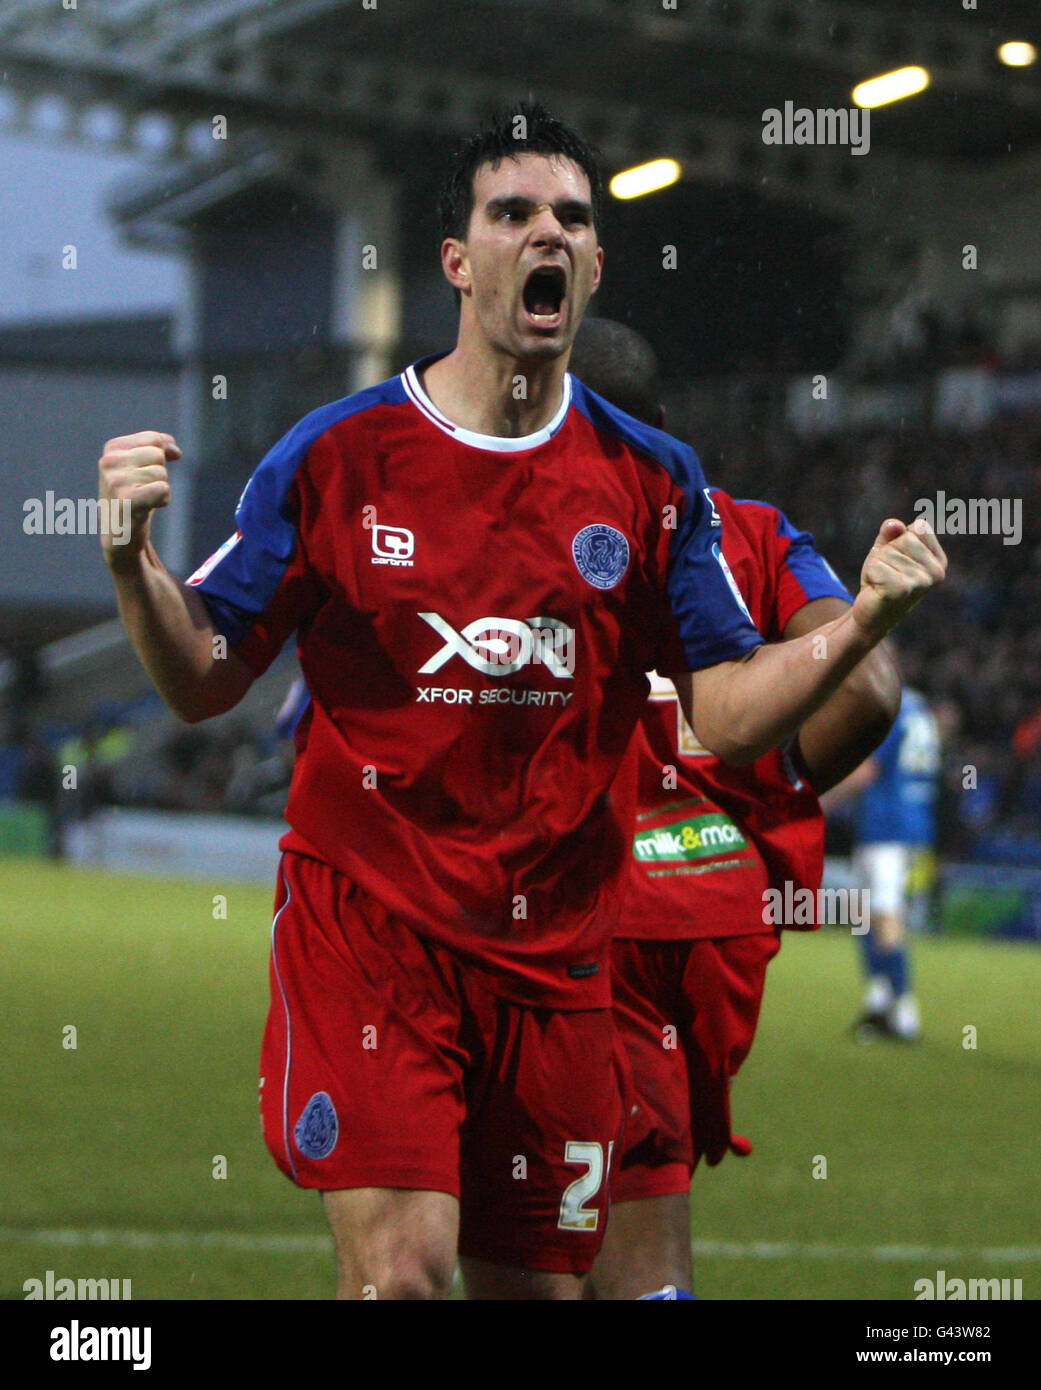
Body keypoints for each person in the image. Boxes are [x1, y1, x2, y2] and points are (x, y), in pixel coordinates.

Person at [97, 104, 946, 1300]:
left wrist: (864, 622)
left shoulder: (655, 485)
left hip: (558, 954)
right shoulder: (336, 456)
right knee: (402, 1277)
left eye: (572, 218)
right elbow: (202, 677)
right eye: (513, 213)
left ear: (592, 265)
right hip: (375, 927)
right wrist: (133, 566)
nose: (545, 232)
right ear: (459, 259)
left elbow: (729, 710)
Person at [568, 319, 900, 1299]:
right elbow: (873, 690)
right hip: (719, 918)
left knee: (604, 1258)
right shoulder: (753, 531)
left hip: (588, 913)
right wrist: (781, 776)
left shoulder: (534, 530)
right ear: (665, 427)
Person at [824, 686, 941, 1041]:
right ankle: (879, 1002)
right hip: (910, 824)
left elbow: (867, 771)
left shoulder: (890, 707)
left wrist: (821, 801)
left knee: (884, 914)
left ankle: (904, 1013)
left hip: (888, 826)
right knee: (866, 914)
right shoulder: (921, 705)